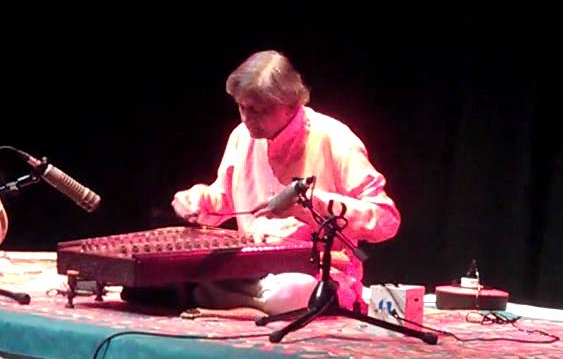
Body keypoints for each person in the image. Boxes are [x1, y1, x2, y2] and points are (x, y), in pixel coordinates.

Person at [170, 50, 400, 314]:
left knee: (293, 291)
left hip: (311, 272)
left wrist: (311, 204)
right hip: (252, 267)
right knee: (184, 271)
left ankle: (226, 300)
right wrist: (198, 199)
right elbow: (224, 199)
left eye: (260, 111)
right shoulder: (241, 136)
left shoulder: (334, 138)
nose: (247, 119)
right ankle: (242, 302)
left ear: (292, 104)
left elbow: (386, 219)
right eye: (242, 107)